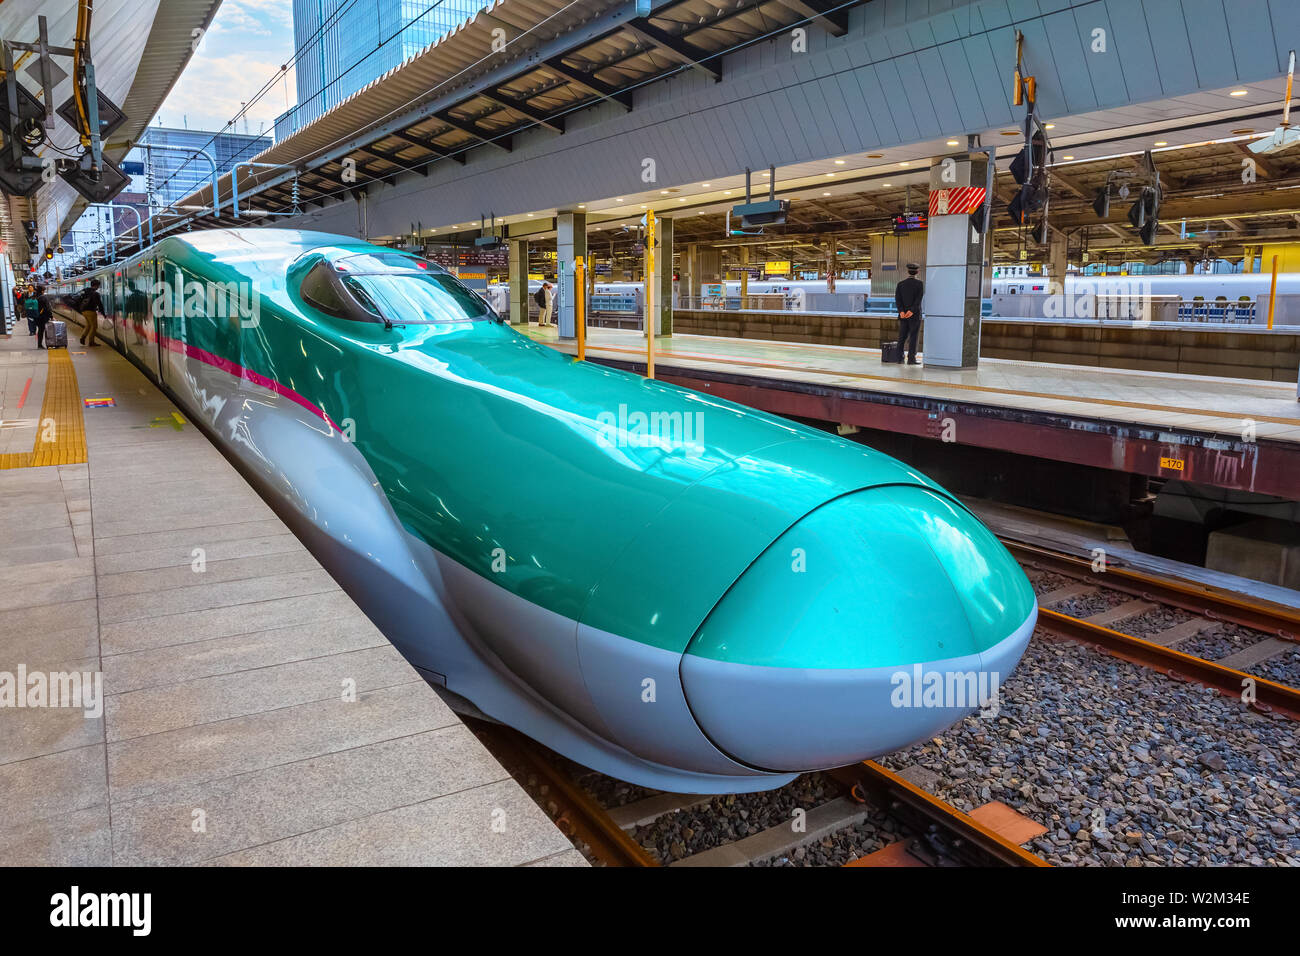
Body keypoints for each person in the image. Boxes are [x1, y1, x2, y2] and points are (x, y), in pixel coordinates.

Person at [893, 263, 924, 366]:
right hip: (914, 315)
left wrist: (901, 311)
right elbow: (918, 300)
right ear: (917, 272)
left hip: (903, 316)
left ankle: (899, 358)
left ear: (908, 271)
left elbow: (898, 299)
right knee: (913, 337)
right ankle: (911, 359)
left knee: (901, 337)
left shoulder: (900, 284)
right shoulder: (919, 284)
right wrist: (911, 311)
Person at [77, 278, 105, 346]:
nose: (98, 287)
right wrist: (103, 313)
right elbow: (99, 304)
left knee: (89, 325)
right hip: (91, 311)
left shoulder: (85, 291)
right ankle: (91, 342)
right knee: (94, 326)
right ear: (96, 285)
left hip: (83, 311)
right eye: (98, 286)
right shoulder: (95, 294)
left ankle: (83, 337)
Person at [33, 285, 52, 349]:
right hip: (43, 316)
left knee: (40, 330)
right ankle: (40, 344)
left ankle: (39, 344)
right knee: (42, 330)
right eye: (44, 290)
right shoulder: (44, 297)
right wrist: (51, 316)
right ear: (42, 291)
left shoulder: (34, 297)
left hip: (36, 316)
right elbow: (47, 308)